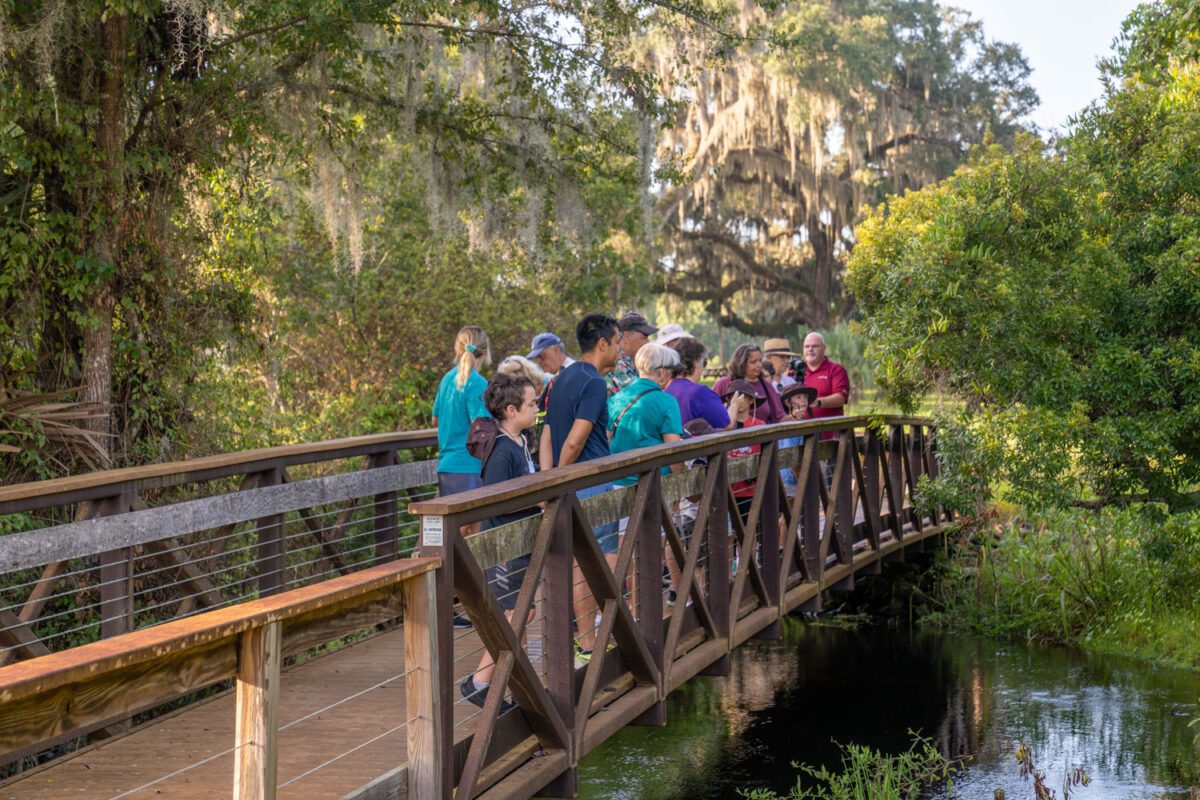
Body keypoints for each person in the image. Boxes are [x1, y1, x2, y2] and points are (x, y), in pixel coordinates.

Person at [539, 313, 623, 660]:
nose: (621, 350)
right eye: (618, 343)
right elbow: (574, 441)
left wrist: (547, 481)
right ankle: (589, 644)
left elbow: (546, 434)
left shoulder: (561, 378)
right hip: (586, 484)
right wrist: (560, 480)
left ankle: (583, 641)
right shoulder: (593, 382)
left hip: (566, 483)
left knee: (576, 564)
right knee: (594, 564)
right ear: (602, 344)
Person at [460, 373, 541, 712]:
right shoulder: (501, 451)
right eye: (532, 404)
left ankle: (514, 685)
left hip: (521, 541)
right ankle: (479, 681)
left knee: (521, 612)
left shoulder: (521, 442)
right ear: (511, 410)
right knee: (515, 613)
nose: (537, 408)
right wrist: (538, 501)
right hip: (505, 546)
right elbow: (497, 501)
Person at [432, 326, 491, 497]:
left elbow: (435, 420)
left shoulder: (446, 379)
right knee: (474, 523)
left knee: (455, 523)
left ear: (457, 349)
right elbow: (480, 427)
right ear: (485, 351)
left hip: (447, 465)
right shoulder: (478, 383)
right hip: (470, 465)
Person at [665, 336, 731, 430]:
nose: (703, 368)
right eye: (704, 362)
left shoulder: (666, 389)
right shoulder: (700, 392)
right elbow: (727, 425)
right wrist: (735, 406)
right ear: (696, 363)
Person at [712, 344, 786, 424]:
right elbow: (711, 414)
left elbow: (779, 418)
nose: (759, 365)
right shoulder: (723, 384)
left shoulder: (766, 386)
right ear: (741, 363)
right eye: (753, 362)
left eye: (760, 361)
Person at [801, 332, 850, 438]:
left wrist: (817, 402)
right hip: (801, 436)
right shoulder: (796, 372)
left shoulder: (836, 370)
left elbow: (840, 398)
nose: (810, 349)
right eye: (807, 346)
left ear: (824, 348)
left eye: (815, 346)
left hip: (830, 435)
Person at [607, 311, 659, 395]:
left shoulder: (635, 362)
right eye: (643, 337)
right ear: (626, 337)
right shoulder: (617, 363)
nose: (648, 342)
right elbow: (639, 394)